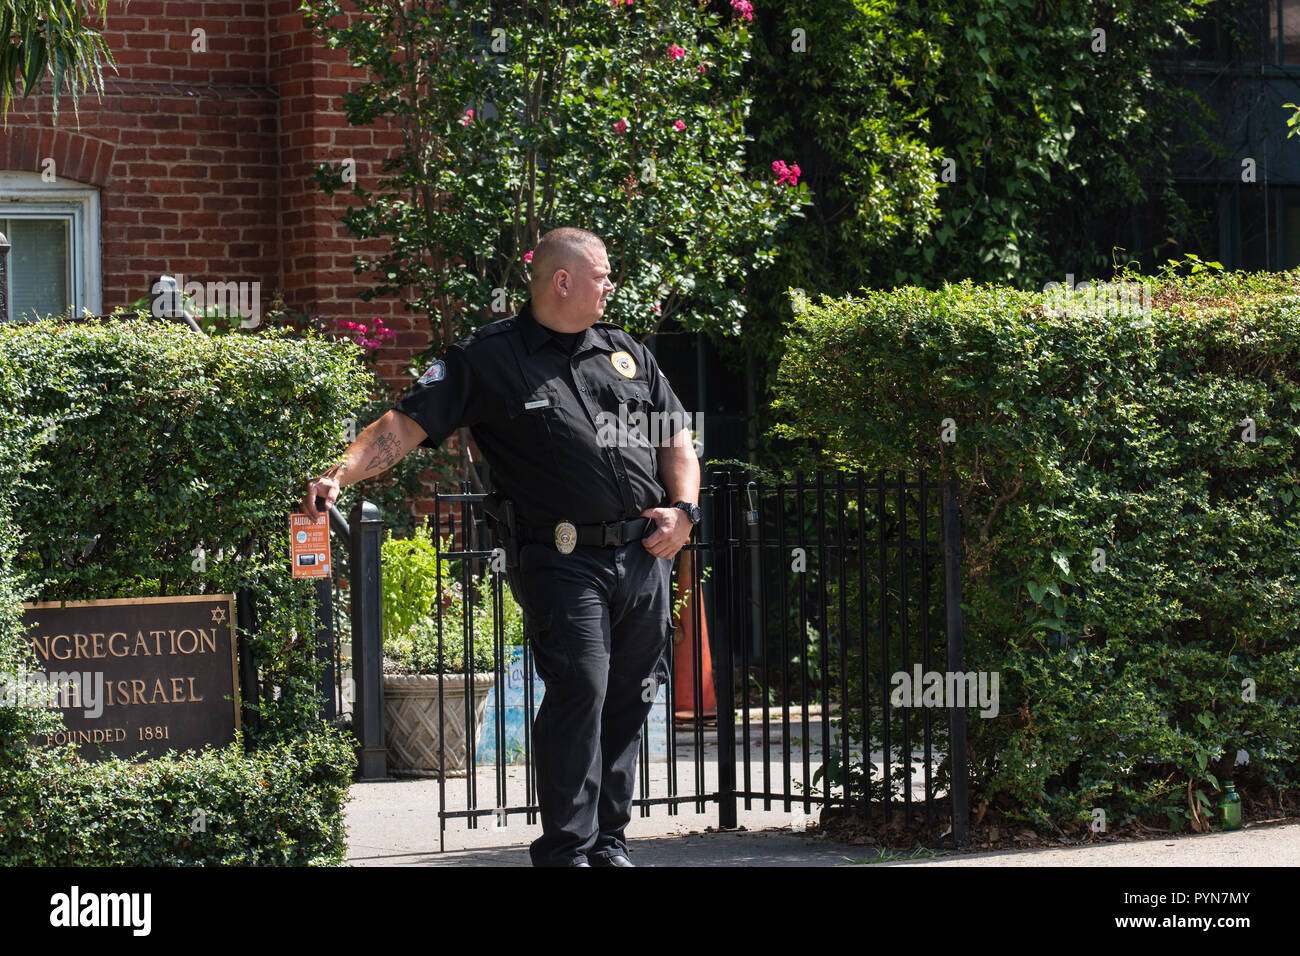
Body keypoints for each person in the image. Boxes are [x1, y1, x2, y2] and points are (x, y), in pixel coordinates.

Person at [303, 226, 701, 867]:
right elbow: (404, 425)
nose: (611, 286)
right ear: (562, 281)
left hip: (644, 555)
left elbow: (677, 440)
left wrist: (684, 513)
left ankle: (609, 843)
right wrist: (339, 473)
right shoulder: (488, 357)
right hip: (562, 560)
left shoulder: (627, 353)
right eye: (601, 275)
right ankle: (566, 850)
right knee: (581, 687)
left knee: (631, 694)